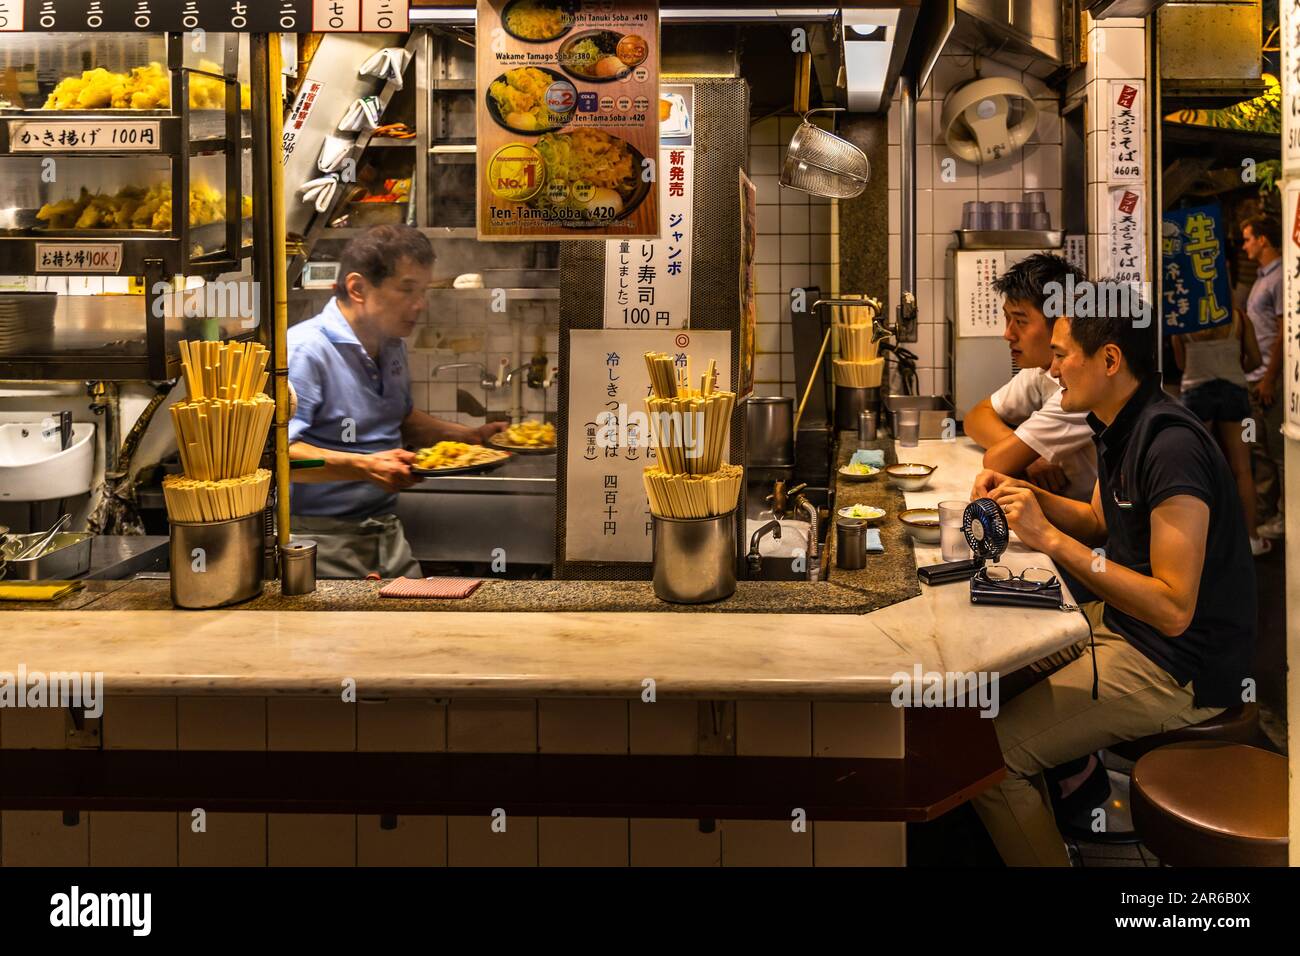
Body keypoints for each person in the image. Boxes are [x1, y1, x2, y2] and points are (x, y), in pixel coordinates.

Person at [968, 289, 1256, 866]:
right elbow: (1101, 523)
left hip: (1179, 665)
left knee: (993, 759)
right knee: (986, 686)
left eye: (1061, 355)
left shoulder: (1170, 444)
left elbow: (1175, 607)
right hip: (1128, 629)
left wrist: (1049, 540)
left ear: (1109, 360)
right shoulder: (1118, 423)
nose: (1051, 369)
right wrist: (1033, 497)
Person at [287, 225, 507, 578]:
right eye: (407, 290)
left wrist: (471, 439)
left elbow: (401, 419)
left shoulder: (390, 343)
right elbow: (280, 457)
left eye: (423, 290)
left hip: (386, 535)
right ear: (358, 288)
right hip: (319, 542)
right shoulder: (305, 350)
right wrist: (363, 466)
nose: (420, 304)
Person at [963, 253, 1098, 501]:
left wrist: (1021, 450)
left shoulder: (1081, 385)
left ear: (1061, 321)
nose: (1008, 334)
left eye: (1020, 321)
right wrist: (1031, 454)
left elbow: (997, 460)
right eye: (1007, 319)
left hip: (1090, 522)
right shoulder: (1042, 369)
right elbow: (975, 418)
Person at [1171, 312, 1267, 555]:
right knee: (1243, 469)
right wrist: (1232, 365)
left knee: (1199, 468)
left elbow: (1180, 364)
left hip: (1196, 394)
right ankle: (1252, 538)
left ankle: (1204, 542)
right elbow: (1256, 359)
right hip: (1235, 392)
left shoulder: (1182, 316)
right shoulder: (1240, 318)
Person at [1240, 214, 1285, 541]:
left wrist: (1270, 378)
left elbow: (1286, 332)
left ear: (1263, 240)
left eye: (1247, 238)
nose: (1244, 245)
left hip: (1273, 377)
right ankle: (1270, 515)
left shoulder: (1282, 276)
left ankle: (1286, 517)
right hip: (1257, 376)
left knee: (1279, 452)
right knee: (1261, 453)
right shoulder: (1262, 277)